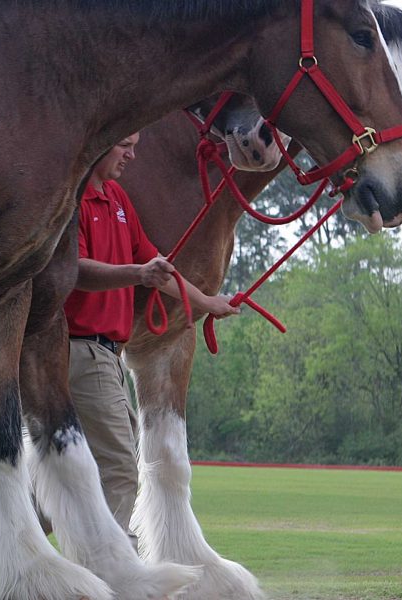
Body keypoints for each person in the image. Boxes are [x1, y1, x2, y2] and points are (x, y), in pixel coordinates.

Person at [64, 132, 239, 546]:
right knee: (121, 467)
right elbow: (76, 270)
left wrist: (207, 302)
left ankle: (11, 544)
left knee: (62, 469)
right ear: (100, 144)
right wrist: (135, 274)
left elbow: (160, 268)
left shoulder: (120, 202)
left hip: (103, 355)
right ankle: (111, 563)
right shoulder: (73, 202)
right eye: (124, 144)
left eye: (136, 144)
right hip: (82, 350)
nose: (132, 154)